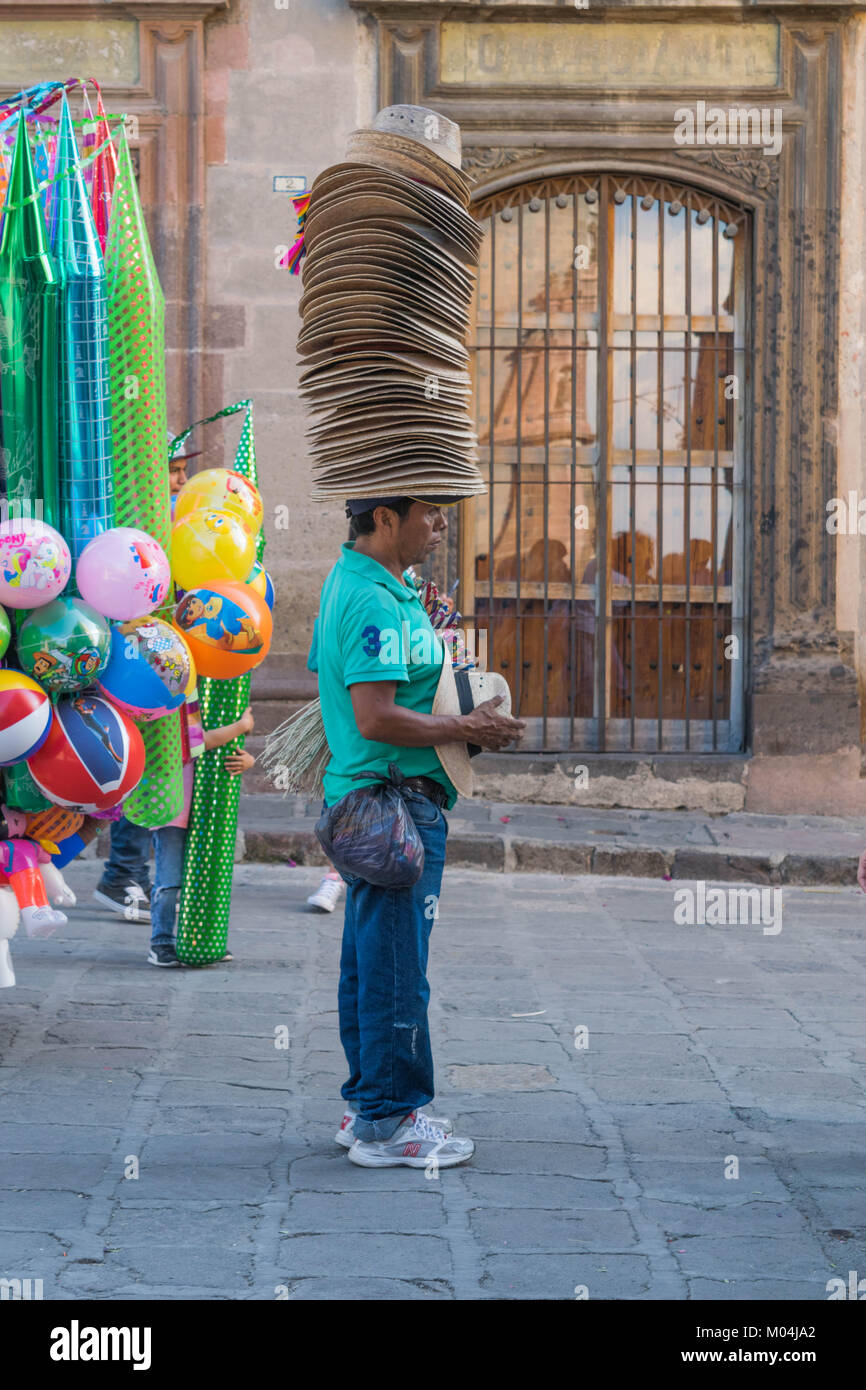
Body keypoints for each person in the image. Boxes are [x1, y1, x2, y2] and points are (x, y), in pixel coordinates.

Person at [311, 495, 524, 1168]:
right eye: (429, 512)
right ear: (382, 517)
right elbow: (373, 716)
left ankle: (369, 1103)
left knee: (372, 960)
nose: (440, 525)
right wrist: (468, 728)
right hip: (392, 806)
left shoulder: (373, 587)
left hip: (378, 800)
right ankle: (391, 1122)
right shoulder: (373, 600)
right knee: (397, 968)